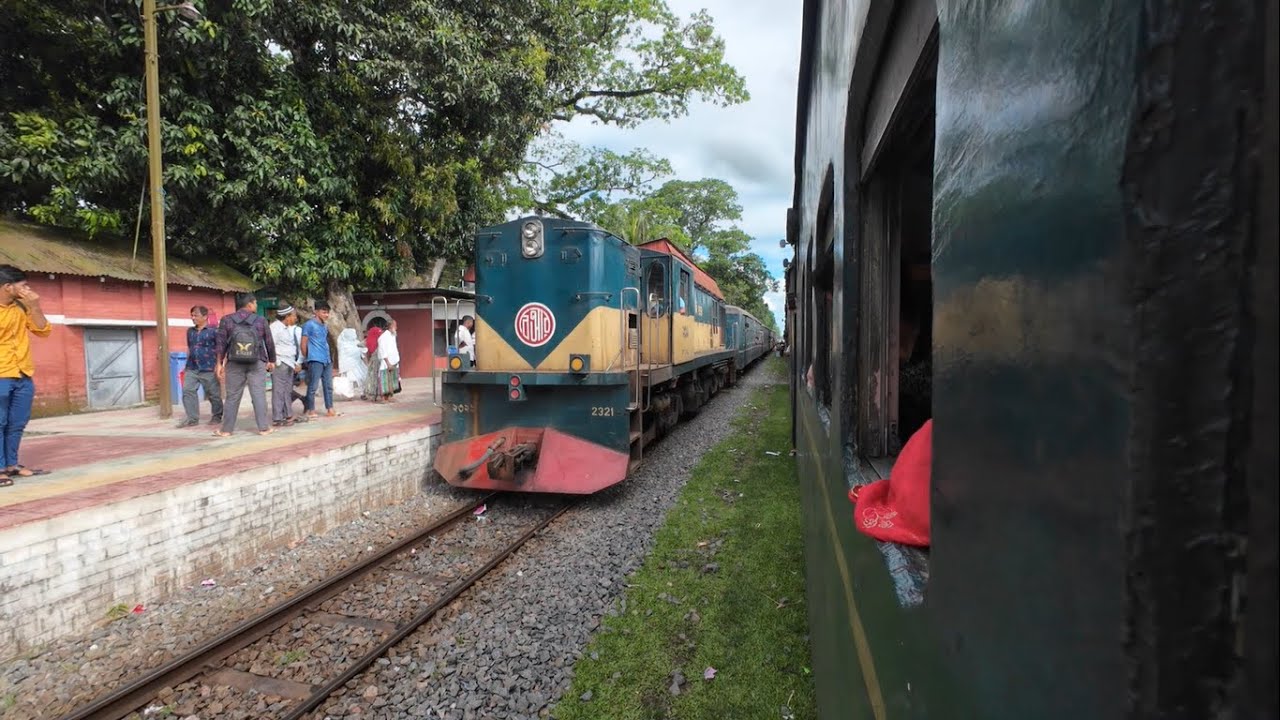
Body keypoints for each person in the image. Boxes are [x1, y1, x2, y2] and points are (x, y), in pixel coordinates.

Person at [0, 265, 52, 487]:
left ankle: (12, 464)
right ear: (8, 287)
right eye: (23, 285)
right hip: (1, 373)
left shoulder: (22, 307)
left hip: (23, 373)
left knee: (17, 422)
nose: (27, 289)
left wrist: (35, 306)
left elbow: (43, 330)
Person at [214, 292, 277, 437]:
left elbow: (220, 343)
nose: (256, 305)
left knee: (232, 396)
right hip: (257, 362)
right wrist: (271, 360)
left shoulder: (227, 320)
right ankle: (264, 428)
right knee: (259, 395)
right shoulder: (260, 320)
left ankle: (226, 430)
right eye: (255, 303)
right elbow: (269, 342)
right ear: (250, 304)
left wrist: (219, 363)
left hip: (234, 363)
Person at [177, 305, 223, 428]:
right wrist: (186, 366)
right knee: (187, 391)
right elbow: (190, 348)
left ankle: (217, 416)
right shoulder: (190, 332)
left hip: (209, 367)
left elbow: (220, 349)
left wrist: (219, 365)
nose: (193, 318)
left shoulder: (214, 331)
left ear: (205, 316)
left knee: (213, 394)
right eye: (191, 315)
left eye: (195, 315)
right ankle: (192, 418)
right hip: (192, 367)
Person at [301, 302, 339, 418]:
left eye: (327, 312)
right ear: (316, 312)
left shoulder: (325, 326)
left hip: (326, 359)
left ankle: (330, 408)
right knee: (313, 386)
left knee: (328, 386)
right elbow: (303, 343)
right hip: (315, 359)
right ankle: (311, 409)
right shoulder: (309, 325)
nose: (326, 315)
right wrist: (307, 358)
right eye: (324, 312)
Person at [270, 305, 302, 427]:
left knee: (287, 391)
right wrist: (275, 361)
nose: (295, 318)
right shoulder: (275, 328)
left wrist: (295, 363)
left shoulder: (286, 328)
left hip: (289, 363)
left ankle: (287, 414)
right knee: (279, 391)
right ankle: (277, 418)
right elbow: (270, 346)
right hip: (281, 363)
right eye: (293, 315)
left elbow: (289, 347)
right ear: (287, 317)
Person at [374, 319, 401, 402]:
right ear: (390, 326)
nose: (396, 327)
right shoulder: (383, 337)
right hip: (386, 363)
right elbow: (382, 351)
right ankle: (383, 397)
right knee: (384, 380)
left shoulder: (393, 335)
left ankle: (389, 396)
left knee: (392, 380)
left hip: (394, 361)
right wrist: (388, 362)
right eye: (395, 325)